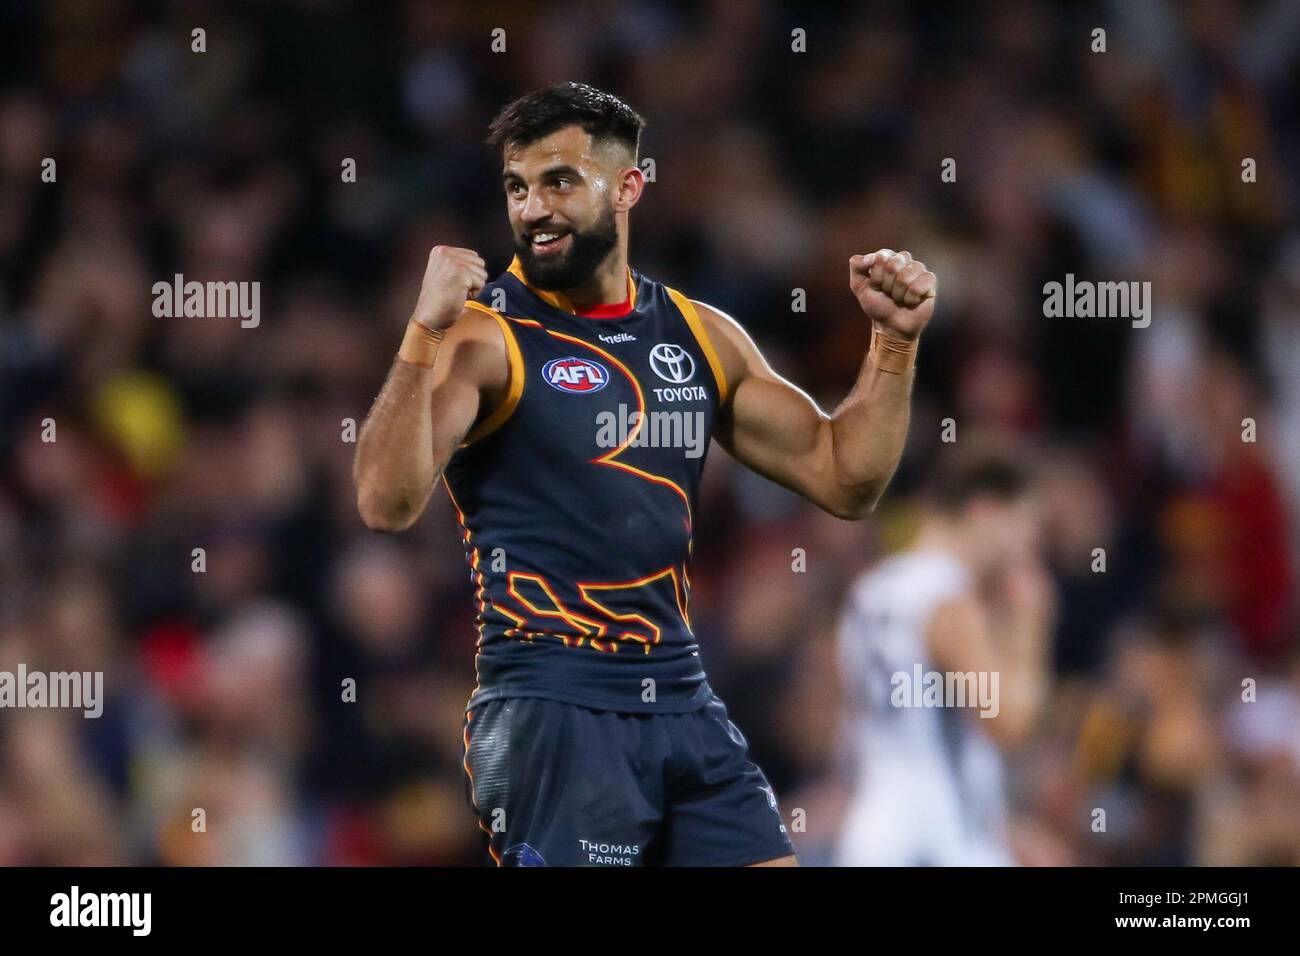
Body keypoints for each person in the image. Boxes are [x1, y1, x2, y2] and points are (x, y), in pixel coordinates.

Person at [353, 81, 936, 866]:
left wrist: (893, 347)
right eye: (517, 188)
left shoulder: (698, 334)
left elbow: (844, 478)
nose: (533, 209)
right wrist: (422, 332)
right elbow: (385, 502)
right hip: (553, 704)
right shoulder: (485, 339)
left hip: (680, 697)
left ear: (628, 185)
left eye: (559, 181)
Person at [834, 452, 1053, 866]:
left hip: (872, 833)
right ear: (986, 510)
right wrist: (1029, 626)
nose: (1025, 550)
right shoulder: (948, 599)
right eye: (1024, 527)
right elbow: (1009, 724)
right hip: (937, 840)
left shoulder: (868, 592)